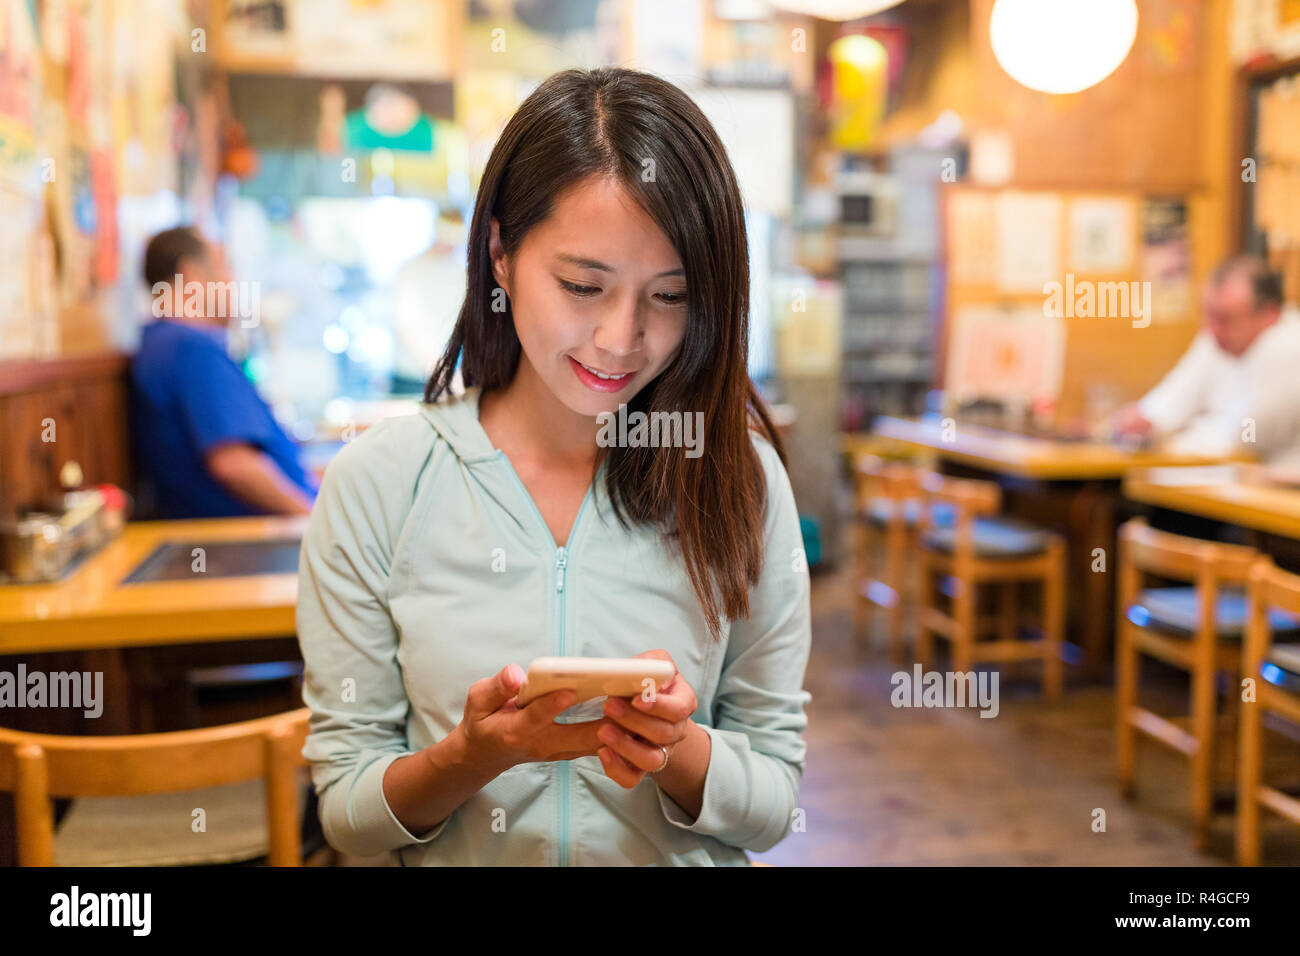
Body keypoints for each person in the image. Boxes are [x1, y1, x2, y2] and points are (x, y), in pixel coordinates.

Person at [296, 67, 813, 866]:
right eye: (582, 285)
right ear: (501, 252)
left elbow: (774, 804)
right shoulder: (380, 483)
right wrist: (472, 754)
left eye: (670, 296)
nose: (620, 337)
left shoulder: (738, 480)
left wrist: (673, 749)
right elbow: (350, 819)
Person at [130, 226, 317, 518]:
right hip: (249, 544)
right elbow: (233, 463)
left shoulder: (164, 342)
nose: (233, 282)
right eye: (225, 268)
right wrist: (313, 519)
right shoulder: (192, 348)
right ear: (191, 276)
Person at [1113, 254, 1300, 466]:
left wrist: (1178, 437)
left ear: (1269, 314)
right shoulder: (1216, 338)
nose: (1213, 330)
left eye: (1226, 319)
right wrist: (1145, 421)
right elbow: (1169, 401)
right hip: (1237, 478)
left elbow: (1247, 437)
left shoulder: (1288, 346)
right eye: (1209, 316)